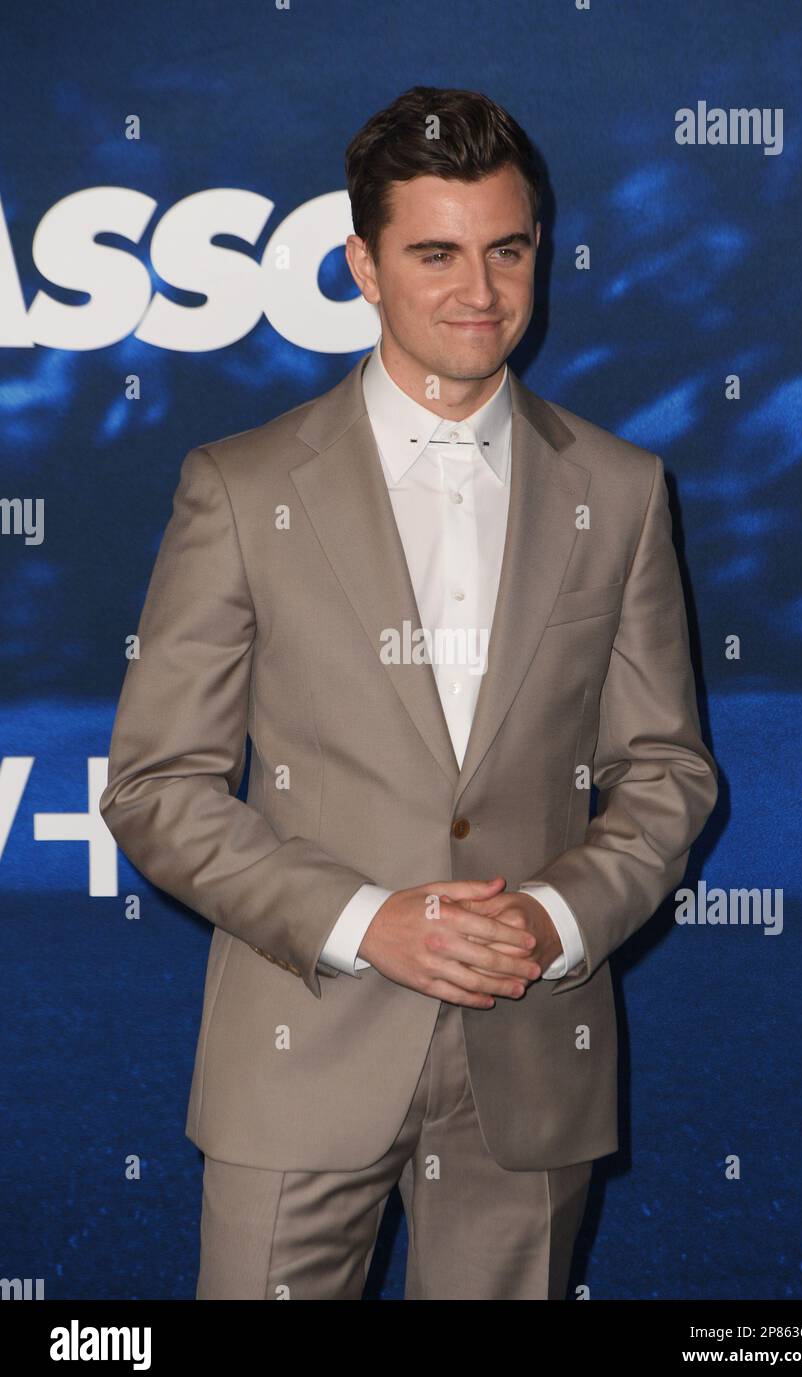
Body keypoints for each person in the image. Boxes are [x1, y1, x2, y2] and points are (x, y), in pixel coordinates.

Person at [99, 84, 718, 1300]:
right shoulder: (240, 486)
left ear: (539, 251)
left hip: (531, 1057)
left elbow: (668, 770)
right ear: (362, 267)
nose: (478, 292)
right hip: (300, 1050)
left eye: (507, 250)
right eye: (434, 253)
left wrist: (554, 917)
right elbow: (158, 785)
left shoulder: (623, 488)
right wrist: (365, 920)